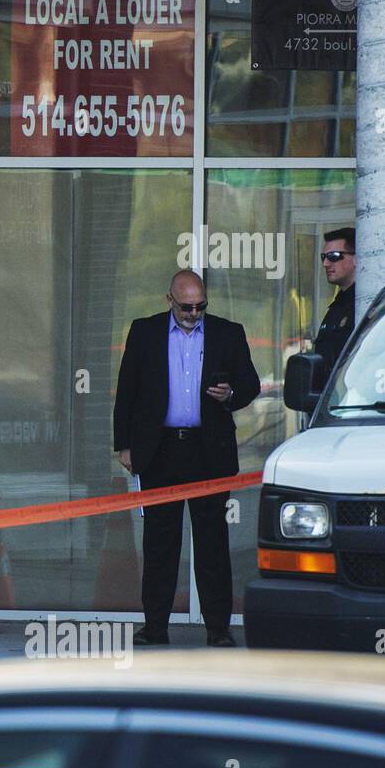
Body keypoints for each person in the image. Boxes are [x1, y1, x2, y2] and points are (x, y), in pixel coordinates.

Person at [113, 270, 261, 647]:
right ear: (170, 300)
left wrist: (230, 395)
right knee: (160, 544)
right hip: (160, 449)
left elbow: (251, 384)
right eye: (186, 307)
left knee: (212, 544)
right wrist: (124, 445)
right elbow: (127, 390)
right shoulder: (145, 332)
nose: (194, 313)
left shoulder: (228, 332)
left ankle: (218, 629)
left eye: (200, 306)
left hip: (208, 450)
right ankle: (155, 627)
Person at [313, 226, 356, 372]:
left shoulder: (364, 304)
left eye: (334, 256)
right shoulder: (338, 305)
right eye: (323, 257)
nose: (326, 264)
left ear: (357, 258)